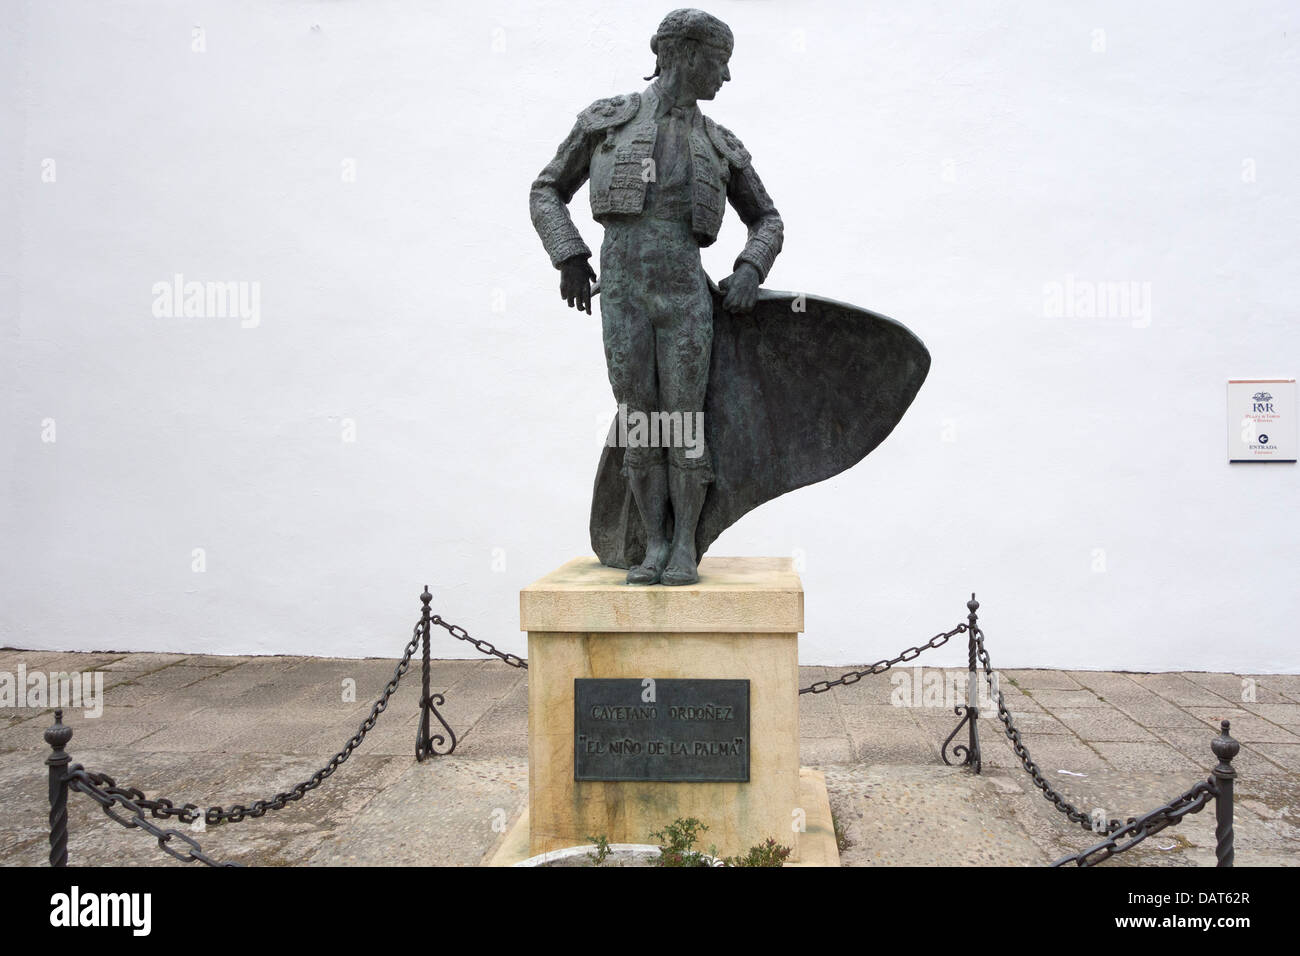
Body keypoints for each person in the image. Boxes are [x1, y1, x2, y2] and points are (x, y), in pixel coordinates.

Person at [530, 8, 784, 585]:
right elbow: (546, 188)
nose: (725, 77)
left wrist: (749, 268)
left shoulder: (720, 144)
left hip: (685, 294)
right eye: (720, 62)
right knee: (639, 418)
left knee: (685, 419)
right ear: (686, 54)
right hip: (621, 290)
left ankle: (685, 547)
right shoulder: (607, 122)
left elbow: (768, 219)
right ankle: (655, 542)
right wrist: (568, 254)